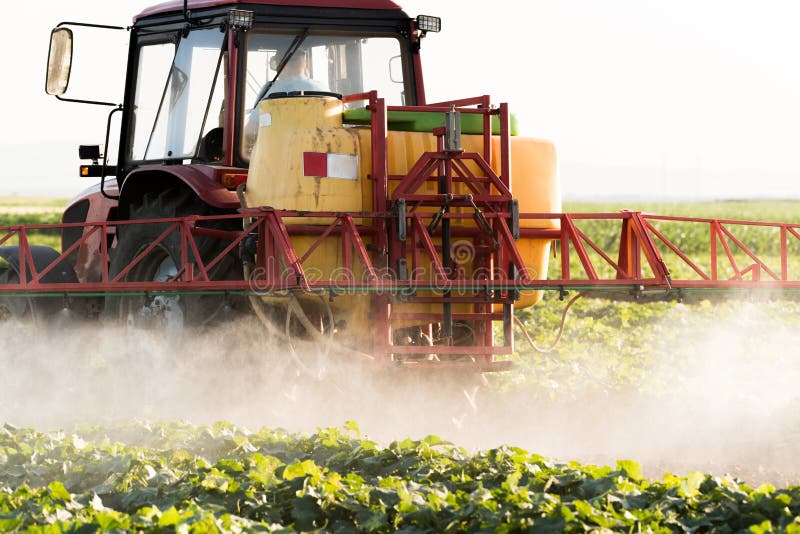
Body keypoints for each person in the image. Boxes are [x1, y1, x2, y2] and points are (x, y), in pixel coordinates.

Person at [244, 47, 330, 152]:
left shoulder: (271, 90)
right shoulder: (323, 89)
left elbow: (250, 131)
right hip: (317, 155)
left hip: (277, 157)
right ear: (304, 63)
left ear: (279, 64)